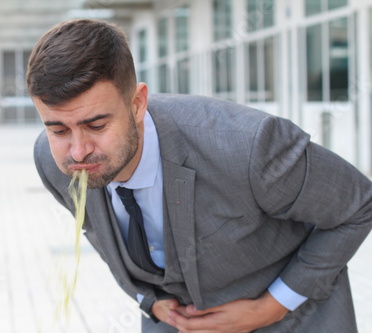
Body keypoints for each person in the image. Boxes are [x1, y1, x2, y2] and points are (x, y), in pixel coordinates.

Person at [27, 19, 372, 333]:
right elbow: (102, 235)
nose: (77, 151)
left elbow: (358, 206)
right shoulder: (50, 160)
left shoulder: (248, 146)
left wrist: (270, 308)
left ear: (137, 104)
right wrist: (146, 299)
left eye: (96, 125)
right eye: (58, 129)